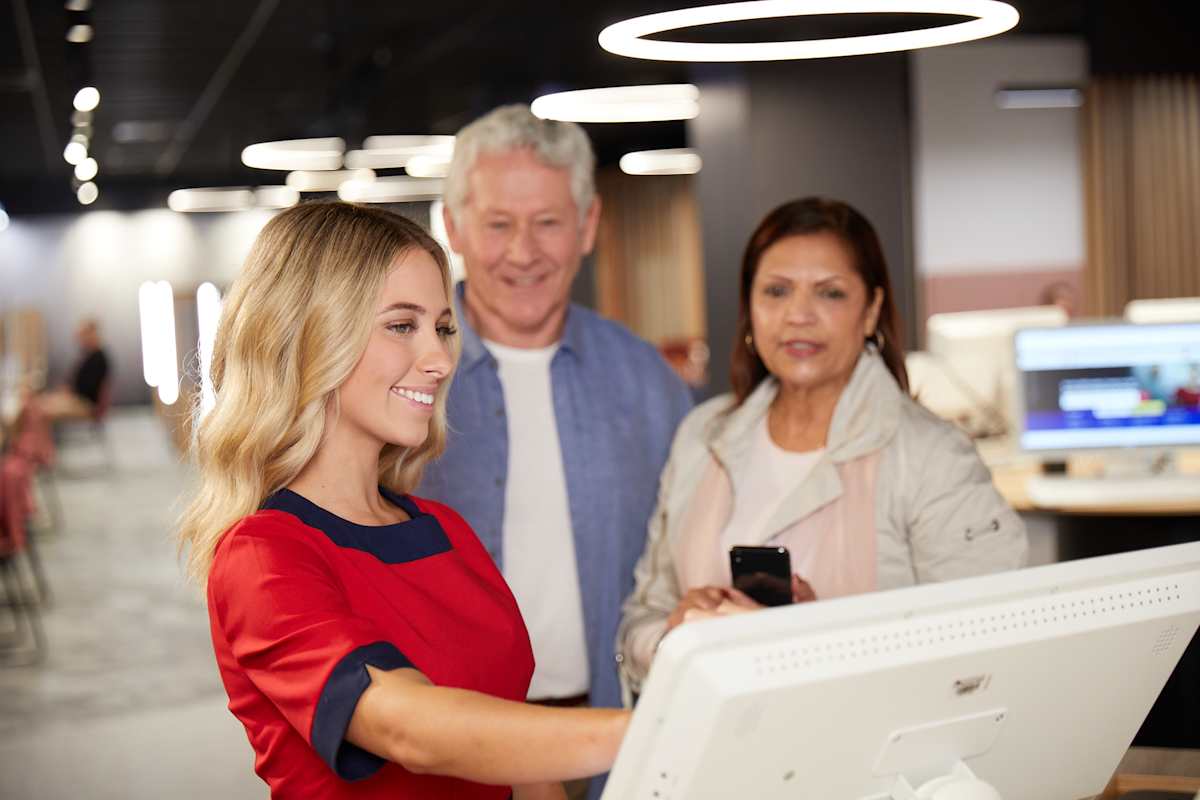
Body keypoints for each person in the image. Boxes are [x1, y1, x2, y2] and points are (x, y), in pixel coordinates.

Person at [177, 202, 627, 800]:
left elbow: (515, 751)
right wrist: (650, 728)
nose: (440, 361)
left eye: (442, 327)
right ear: (309, 336)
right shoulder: (263, 555)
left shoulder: (444, 529)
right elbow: (407, 728)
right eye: (401, 326)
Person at [618, 197, 1028, 695]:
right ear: (750, 306)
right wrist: (676, 639)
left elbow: (986, 649)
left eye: (830, 293)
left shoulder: (931, 456)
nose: (798, 315)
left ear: (871, 309)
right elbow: (643, 616)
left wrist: (815, 640)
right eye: (776, 291)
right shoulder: (701, 436)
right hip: (718, 752)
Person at [417, 103, 692, 787]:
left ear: (587, 226)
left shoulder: (648, 380)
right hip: (456, 752)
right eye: (498, 224)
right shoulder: (399, 381)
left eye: (547, 223)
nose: (523, 252)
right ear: (453, 227)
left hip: (622, 736)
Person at [36, 318, 110, 421]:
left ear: (92, 334)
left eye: (83, 336)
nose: (80, 340)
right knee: (40, 404)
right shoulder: (89, 356)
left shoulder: (99, 358)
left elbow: (88, 388)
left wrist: (68, 392)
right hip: (78, 397)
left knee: (42, 410)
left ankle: (41, 437)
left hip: (86, 403)